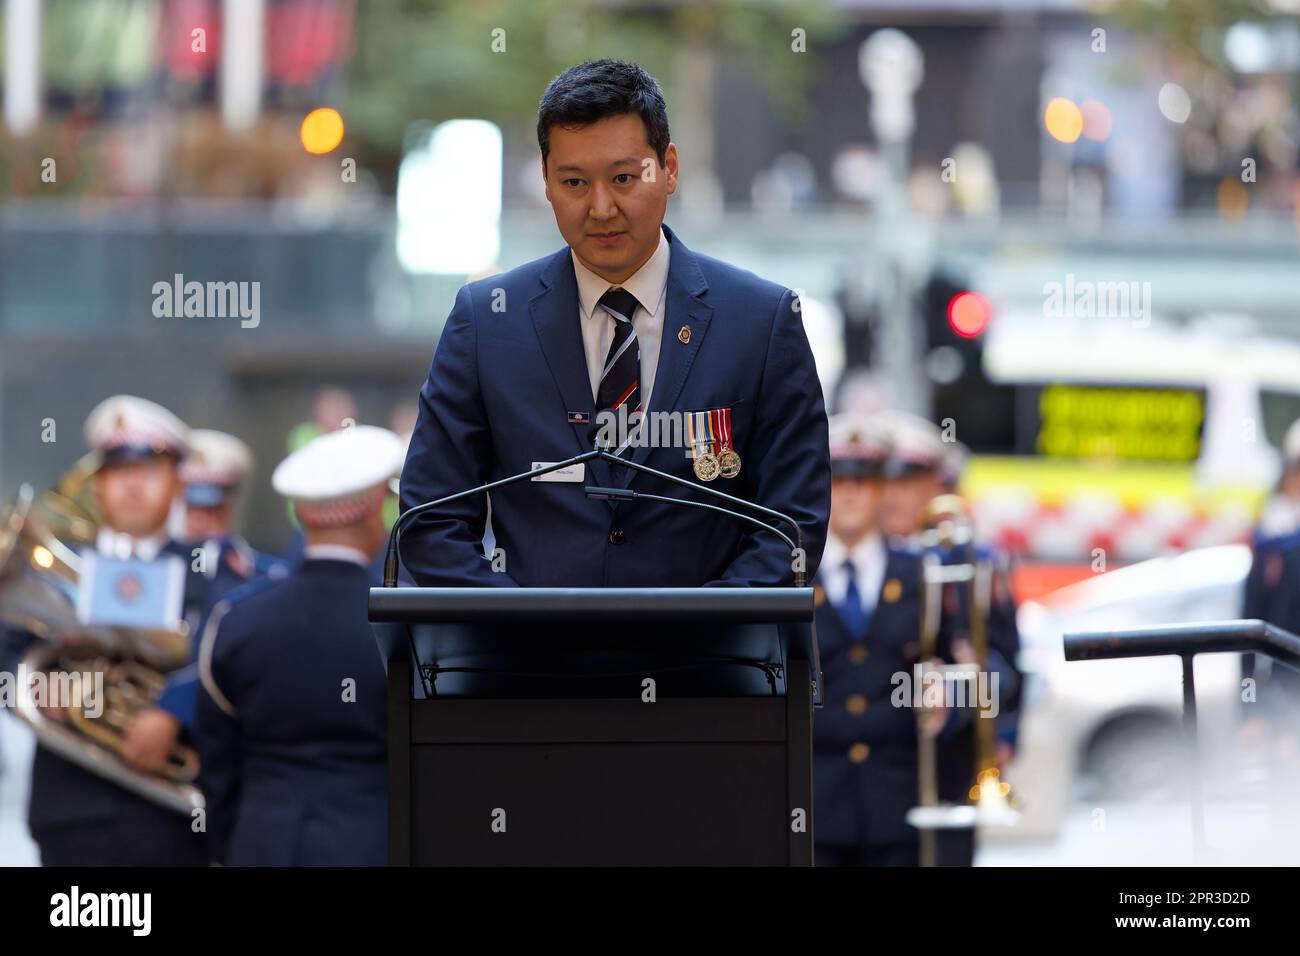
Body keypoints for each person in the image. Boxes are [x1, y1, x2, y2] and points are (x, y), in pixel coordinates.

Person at [399, 58, 829, 588]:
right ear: (546, 181)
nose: (600, 208)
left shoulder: (760, 321)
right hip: (531, 665)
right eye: (575, 182)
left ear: (668, 168)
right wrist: (519, 627)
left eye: (624, 178)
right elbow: (431, 520)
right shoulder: (487, 321)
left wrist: (701, 629)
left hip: (705, 662)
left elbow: (793, 527)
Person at [195, 425, 403, 866]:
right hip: (373, 846)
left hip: (261, 844)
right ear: (374, 511)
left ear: (303, 515)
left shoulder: (236, 621)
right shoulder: (404, 623)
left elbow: (218, 767)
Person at [27, 395, 209, 866]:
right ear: (98, 482)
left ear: (177, 482)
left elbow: (229, 656)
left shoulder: (211, 573)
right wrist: (31, 681)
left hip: (169, 820)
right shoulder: (57, 567)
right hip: (69, 811)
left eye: (149, 471)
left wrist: (174, 710)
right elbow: (8, 645)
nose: (132, 484)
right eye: (118, 470)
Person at [181, 428, 290, 604]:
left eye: (213, 510)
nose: (199, 521)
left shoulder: (271, 578)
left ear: (232, 506)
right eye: (190, 508)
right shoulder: (161, 570)